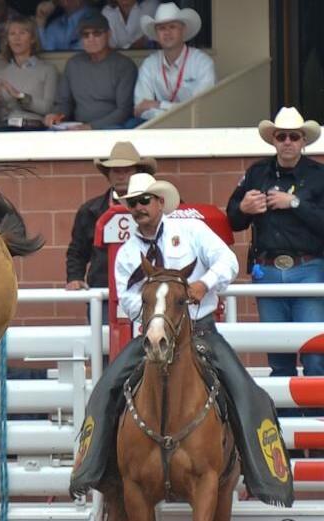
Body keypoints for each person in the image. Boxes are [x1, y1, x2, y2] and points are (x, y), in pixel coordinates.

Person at [70, 173, 294, 508]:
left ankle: (260, 474)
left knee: (250, 393)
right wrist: (158, 303)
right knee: (105, 391)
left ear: (160, 202)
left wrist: (204, 284)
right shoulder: (129, 252)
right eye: (133, 203)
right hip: (154, 331)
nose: (139, 207)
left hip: (200, 331)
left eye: (145, 200)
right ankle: (101, 474)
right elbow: (129, 302)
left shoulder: (190, 231)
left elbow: (227, 261)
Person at [226, 107, 324, 416]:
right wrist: (243, 207)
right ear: (273, 140)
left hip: (308, 269)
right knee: (278, 358)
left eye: (294, 136)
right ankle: (286, 439)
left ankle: (317, 434)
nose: (287, 142)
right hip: (267, 271)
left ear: (303, 140)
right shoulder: (257, 172)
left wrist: (293, 203)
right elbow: (233, 219)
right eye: (281, 136)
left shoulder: (318, 175)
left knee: (314, 355)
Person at [65, 141, 156, 323]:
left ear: (138, 173)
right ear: (108, 175)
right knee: (106, 345)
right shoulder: (90, 210)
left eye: (127, 170)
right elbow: (77, 251)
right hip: (105, 292)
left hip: (154, 291)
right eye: (116, 171)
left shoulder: (162, 206)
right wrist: (74, 277)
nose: (121, 176)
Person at [42, 13, 136, 130]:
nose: (91, 39)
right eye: (85, 35)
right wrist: (56, 115)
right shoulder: (73, 64)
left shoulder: (124, 65)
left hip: (111, 127)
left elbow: (124, 110)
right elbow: (64, 103)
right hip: (78, 126)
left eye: (97, 33)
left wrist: (91, 127)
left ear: (109, 34)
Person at [133, 2, 214, 122]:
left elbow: (201, 108)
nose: (167, 33)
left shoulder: (202, 63)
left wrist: (159, 105)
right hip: (159, 129)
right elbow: (140, 109)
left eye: (172, 27)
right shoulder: (149, 65)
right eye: (162, 28)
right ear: (156, 33)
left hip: (195, 129)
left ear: (183, 30)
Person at [0, 17, 56, 129]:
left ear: (32, 38)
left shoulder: (47, 70)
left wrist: (19, 96)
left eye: (22, 33)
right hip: (6, 129)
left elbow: (48, 108)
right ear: (7, 40)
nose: (16, 38)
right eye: (12, 34)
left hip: (35, 129)